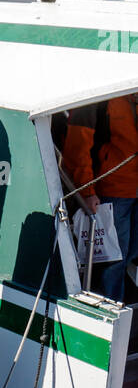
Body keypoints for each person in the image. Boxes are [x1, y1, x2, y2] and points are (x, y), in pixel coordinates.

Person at [61, 93, 138, 302]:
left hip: (132, 193)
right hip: (110, 192)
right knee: (112, 262)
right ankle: (108, 314)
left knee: (129, 256)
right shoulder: (99, 94)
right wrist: (87, 191)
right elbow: (77, 148)